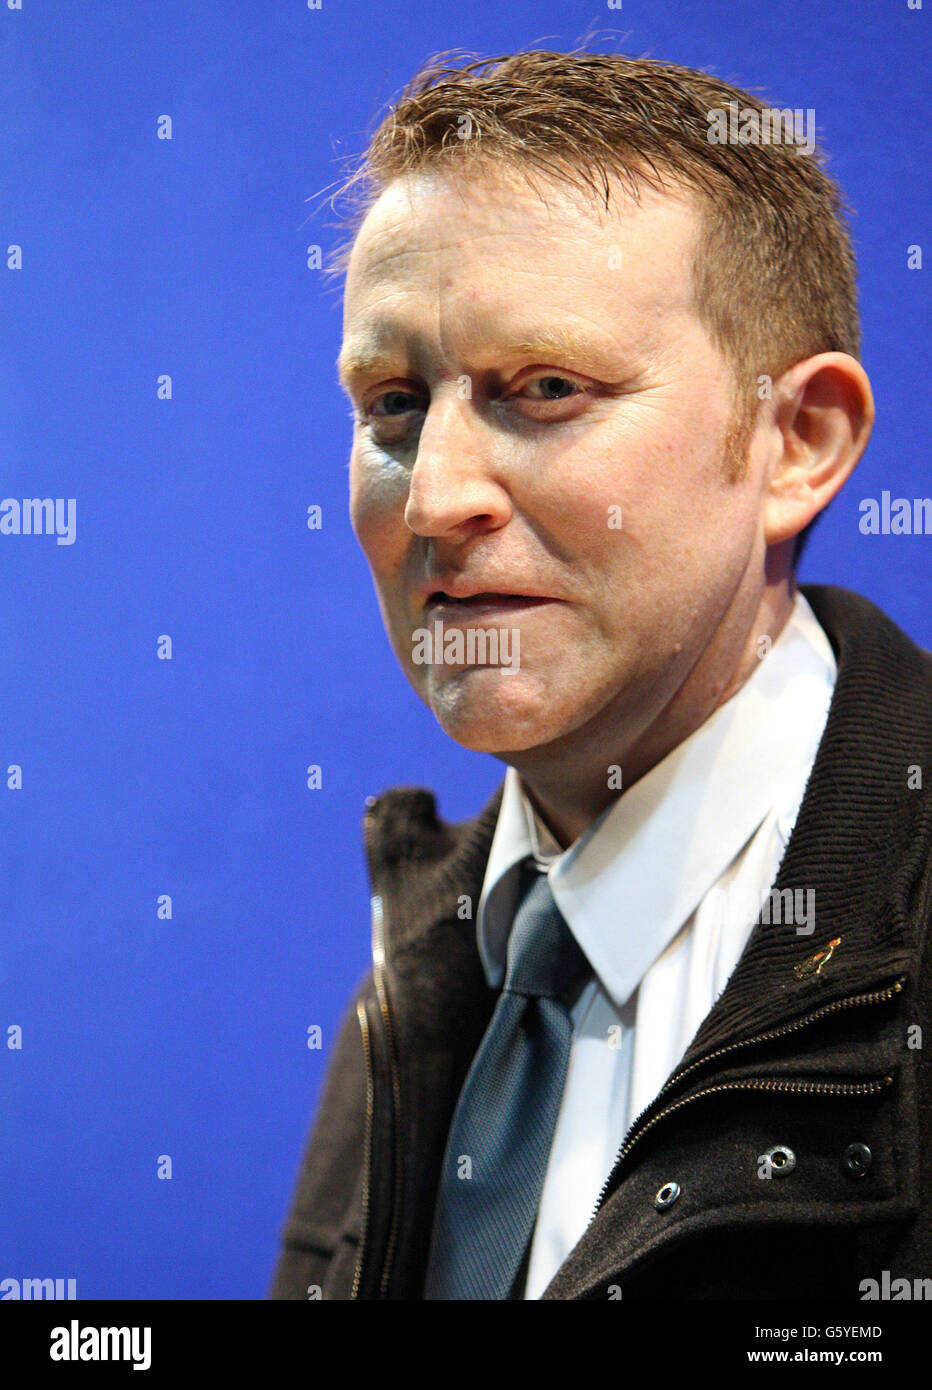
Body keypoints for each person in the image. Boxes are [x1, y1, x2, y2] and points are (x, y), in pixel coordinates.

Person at [269, 48, 932, 1300]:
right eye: (394, 405)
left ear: (796, 442)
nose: (439, 495)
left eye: (547, 388)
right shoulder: (422, 974)